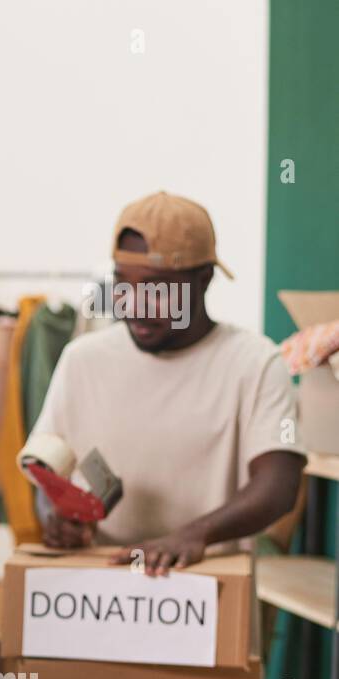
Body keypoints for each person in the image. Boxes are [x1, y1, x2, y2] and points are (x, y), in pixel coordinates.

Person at [30, 190, 304, 575]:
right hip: (101, 585)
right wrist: (57, 517)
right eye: (123, 285)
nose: (134, 304)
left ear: (204, 279)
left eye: (157, 290)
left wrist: (194, 535)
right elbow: (47, 470)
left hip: (208, 586)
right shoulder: (83, 360)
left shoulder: (256, 363)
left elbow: (279, 486)